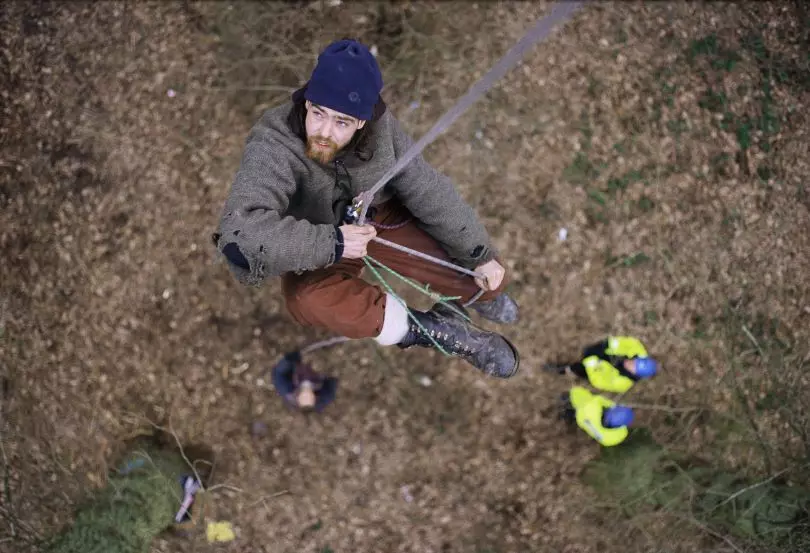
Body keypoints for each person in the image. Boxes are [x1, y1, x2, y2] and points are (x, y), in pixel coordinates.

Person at [213, 38, 520, 378]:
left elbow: (425, 187)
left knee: (482, 273)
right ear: (307, 102)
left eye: (342, 122)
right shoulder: (275, 141)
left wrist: (479, 253)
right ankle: (433, 329)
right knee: (306, 300)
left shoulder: (380, 129)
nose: (325, 132)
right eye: (317, 113)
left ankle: (485, 299)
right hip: (319, 238)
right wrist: (334, 242)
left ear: (361, 122)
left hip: (381, 218)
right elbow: (239, 235)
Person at [545, 336, 658, 393]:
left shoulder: (622, 383)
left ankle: (564, 369)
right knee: (590, 351)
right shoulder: (637, 350)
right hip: (610, 356)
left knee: (580, 369)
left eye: (634, 367)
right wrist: (607, 345)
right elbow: (622, 342)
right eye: (635, 361)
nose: (631, 363)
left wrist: (592, 365)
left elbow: (599, 382)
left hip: (598, 370)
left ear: (635, 374)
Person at [560, 386, 634, 447]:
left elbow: (605, 403)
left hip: (581, 414)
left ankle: (565, 415)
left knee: (572, 408)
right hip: (607, 440)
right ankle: (567, 418)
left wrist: (612, 405)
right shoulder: (622, 432)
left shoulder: (593, 408)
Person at [271, 351, 338, 412]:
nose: (307, 394)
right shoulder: (325, 396)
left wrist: (288, 360)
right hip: (318, 363)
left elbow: (278, 373)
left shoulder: (286, 390)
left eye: (303, 397)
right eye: (310, 397)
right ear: (315, 398)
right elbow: (332, 382)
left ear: (298, 398)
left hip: (297, 365)